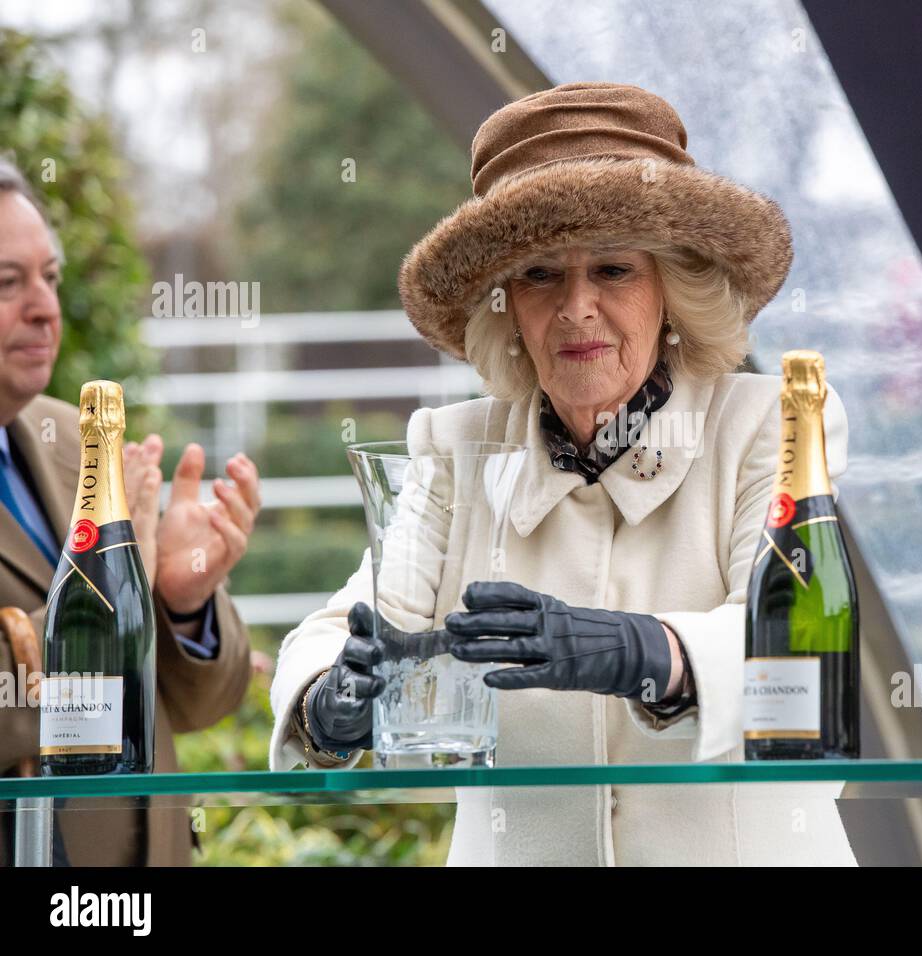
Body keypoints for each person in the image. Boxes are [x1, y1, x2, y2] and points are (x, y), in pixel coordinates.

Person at [269, 82, 856, 865]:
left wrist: (647, 652)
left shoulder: (772, 423)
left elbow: (797, 653)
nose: (577, 307)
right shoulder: (454, 445)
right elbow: (349, 627)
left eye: (612, 269)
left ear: (671, 293)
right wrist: (330, 703)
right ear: (506, 305)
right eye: (542, 274)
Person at [0, 158, 258, 865]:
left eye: (49, 277)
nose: (46, 307)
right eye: (7, 283)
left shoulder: (76, 438)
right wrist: (100, 620)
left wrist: (178, 603)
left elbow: (203, 705)